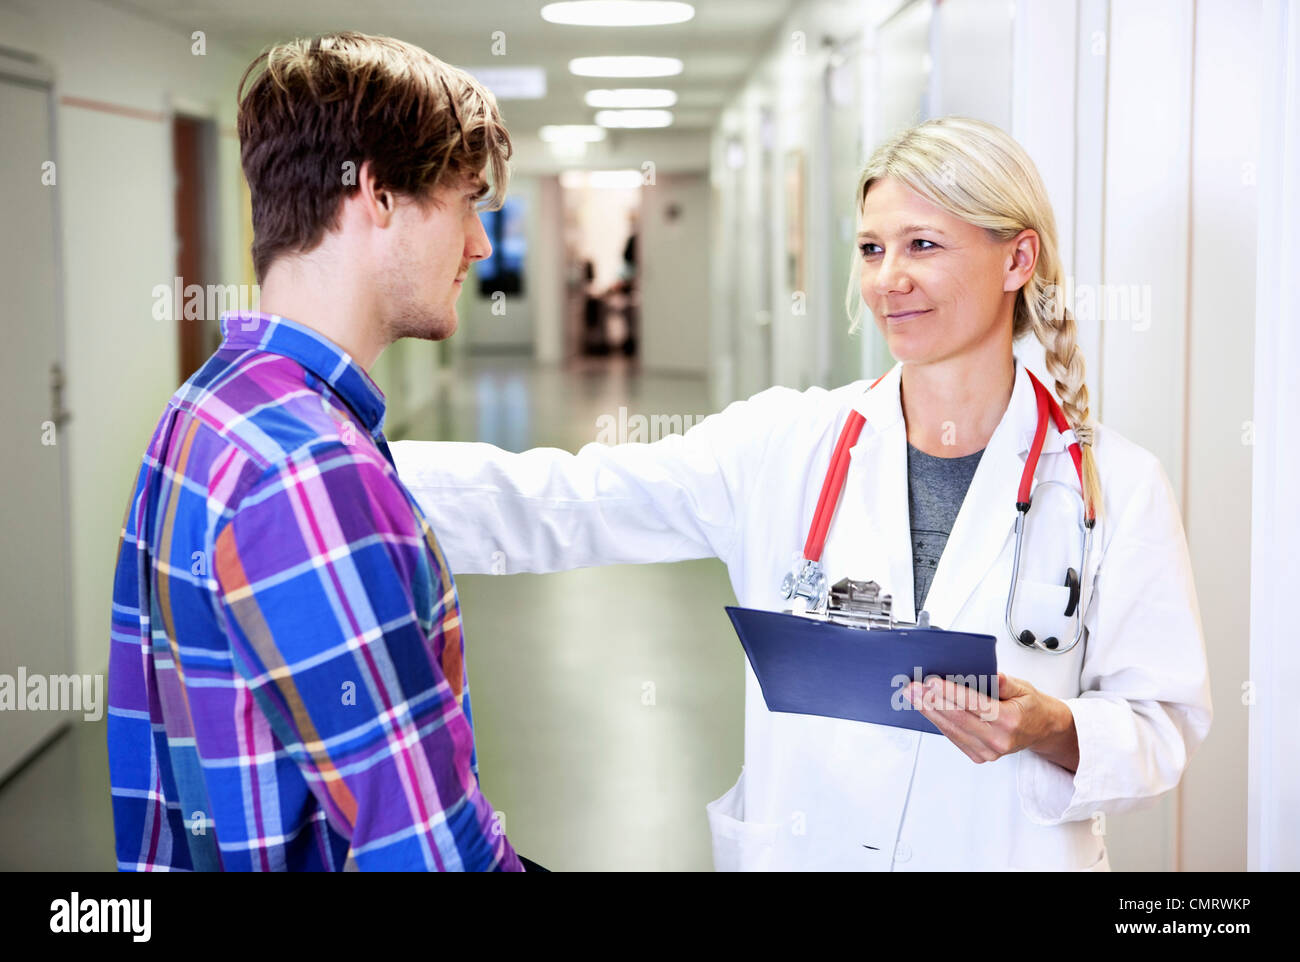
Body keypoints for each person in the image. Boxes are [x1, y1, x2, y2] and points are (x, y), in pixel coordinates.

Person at [391, 116, 1212, 871]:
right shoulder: (787, 445)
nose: (889, 279)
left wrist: (1052, 727)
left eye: (923, 244)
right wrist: (348, 467)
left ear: (1017, 259)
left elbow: (1162, 726)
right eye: (870, 249)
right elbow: (569, 499)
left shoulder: (1116, 486)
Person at [107, 32, 532, 871]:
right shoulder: (306, 468)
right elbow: (424, 846)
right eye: (464, 199)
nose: (480, 245)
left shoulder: (208, 408)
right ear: (374, 194)